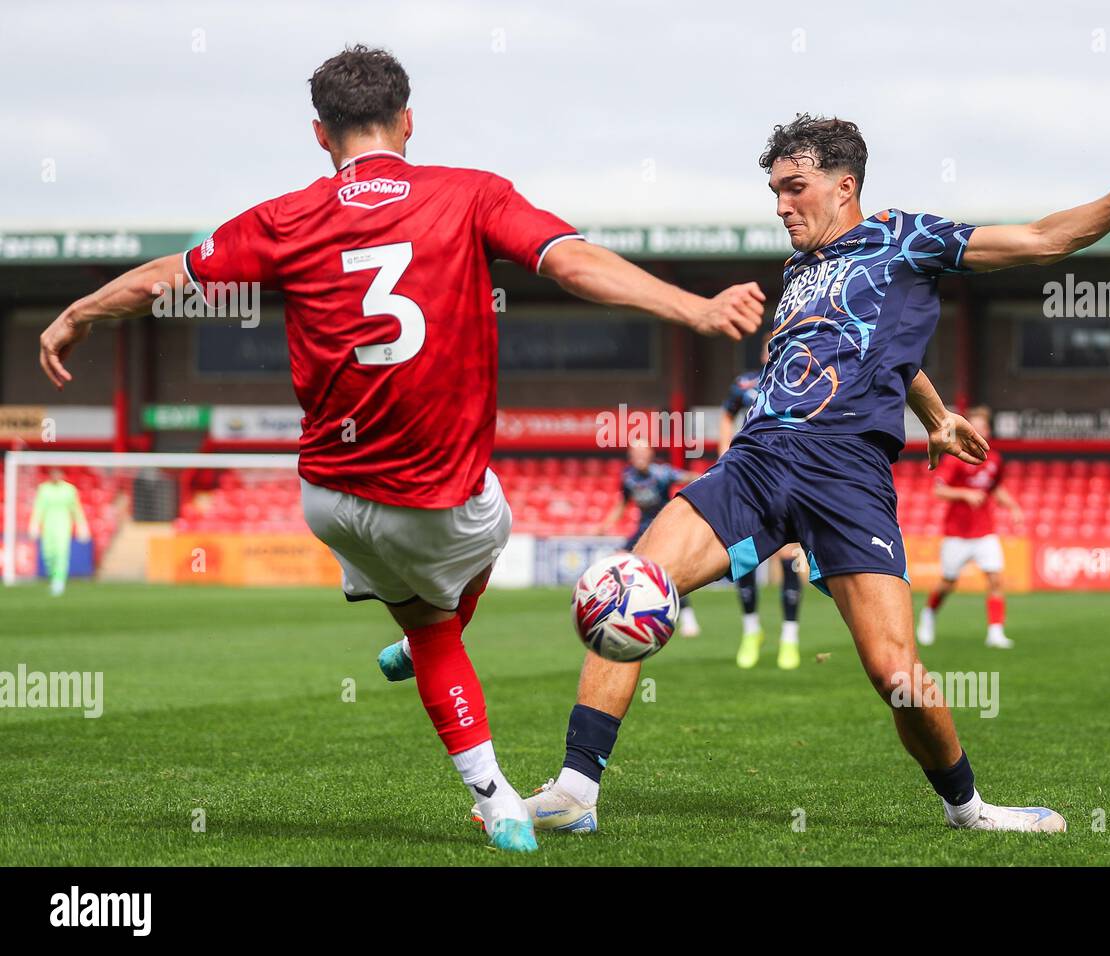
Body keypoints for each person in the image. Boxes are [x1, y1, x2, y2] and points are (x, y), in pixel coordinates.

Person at [37, 45, 764, 853]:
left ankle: (494, 799)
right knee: (466, 580)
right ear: (409, 120)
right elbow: (572, 263)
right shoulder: (469, 194)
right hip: (442, 502)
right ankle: (486, 772)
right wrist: (694, 310)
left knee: (428, 628)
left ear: (321, 134)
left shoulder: (285, 218)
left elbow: (164, 278)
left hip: (327, 497)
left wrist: (80, 312)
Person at [523, 114, 1110, 835]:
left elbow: (1043, 240)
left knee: (895, 673)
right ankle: (575, 789)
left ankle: (967, 807)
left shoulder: (907, 237)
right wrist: (937, 416)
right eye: (774, 192)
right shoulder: (797, 271)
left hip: (848, 475)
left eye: (796, 188)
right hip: (758, 460)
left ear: (844, 186)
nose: (782, 205)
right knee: (635, 584)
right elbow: (888, 354)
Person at [719, 335, 803, 670]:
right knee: (743, 554)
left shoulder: (801, 381)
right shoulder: (745, 383)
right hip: (749, 474)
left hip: (788, 476)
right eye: (772, 343)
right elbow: (727, 414)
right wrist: (725, 451)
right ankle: (752, 631)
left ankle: (790, 638)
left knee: (787, 556)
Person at [918, 406, 1025, 649]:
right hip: (957, 533)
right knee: (948, 583)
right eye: (973, 425)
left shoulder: (994, 459)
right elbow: (938, 489)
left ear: (987, 430)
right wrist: (965, 494)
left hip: (985, 531)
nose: (977, 429)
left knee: (996, 580)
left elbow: (994, 489)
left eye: (981, 426)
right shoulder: (954, 457)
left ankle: (995, 632)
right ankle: (928, 615)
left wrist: (1014, 508)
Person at [597, 443, 702, 637]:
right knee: (618, 560)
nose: (640, 456)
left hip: (664, 528)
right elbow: (622, 503)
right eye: (636, 453)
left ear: (650, 454)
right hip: (643, 528)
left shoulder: (662, 474)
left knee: (668, 573)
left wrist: (709, 479)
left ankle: (687, 617)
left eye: (643, 452)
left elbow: (687, 477)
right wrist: (606, 524)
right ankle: (620, 613)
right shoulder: (628, 477)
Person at [27, 467, 90, 597]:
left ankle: (59, 582)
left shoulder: (69, 490)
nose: (56, 475)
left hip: (63, 525)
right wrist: (34, 524)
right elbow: (38, 508)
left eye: (58, 473)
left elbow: (76, 509)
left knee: (61, 553)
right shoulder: (44, 489)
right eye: (53, 473)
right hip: (48, 525)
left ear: (62, 474)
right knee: (48, 554)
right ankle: (53, 577)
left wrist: (82, 525)